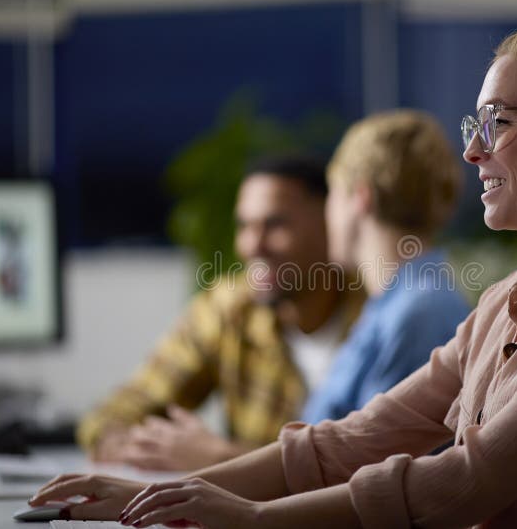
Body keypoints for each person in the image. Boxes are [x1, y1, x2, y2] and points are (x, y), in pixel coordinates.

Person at [31, 2, 517, 528]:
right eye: (475, 122)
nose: (472, 151)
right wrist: (155, 492)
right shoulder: (503, 302)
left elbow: (461, 484)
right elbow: (350, 440)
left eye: (499, 122)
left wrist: (255, 518)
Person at [76, 155, 366, 471]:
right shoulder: (228, 309)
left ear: (330, 223)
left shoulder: (378, 315)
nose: (252, 245)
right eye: (244, 226)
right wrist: (138, 444)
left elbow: (369, 467)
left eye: (275, 224)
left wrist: (224, 457)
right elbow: (120, 412)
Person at [301, 109, 470, 424]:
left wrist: (219, 457)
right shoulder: (395, 305)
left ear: (360, 198)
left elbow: (368, 459)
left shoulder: (417, 314)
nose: (328, 215)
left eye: (333, 196)